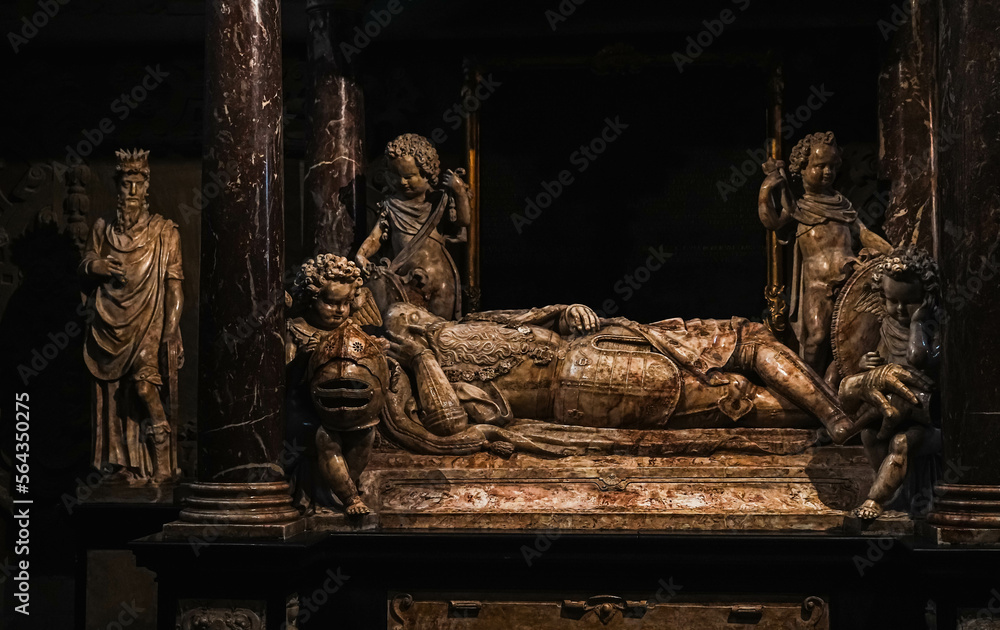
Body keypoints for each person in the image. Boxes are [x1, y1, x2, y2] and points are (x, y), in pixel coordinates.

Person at [378, 301, 929, 457]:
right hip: (595, 389)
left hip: (617, 344)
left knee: (747, 338)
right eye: (410, 326)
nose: (421, 323)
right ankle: (846, 409)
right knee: (736, 400)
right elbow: (449, 427)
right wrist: (420, 356)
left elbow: (542, 316)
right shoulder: (430, 374)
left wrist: (569, 310)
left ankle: (841, 409)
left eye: (421, 317)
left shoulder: (477, 323)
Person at [81, 149, 183, 484]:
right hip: (109, 322)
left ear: (147, 186)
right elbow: (86, 263)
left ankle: (163, 465)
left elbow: (174, 287)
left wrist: (171, 330)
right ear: (118, 187)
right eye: (127, 184)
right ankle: (123, 466)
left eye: (138, 183)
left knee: (144, 388)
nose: (133, 191)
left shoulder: (165, 232)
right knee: (115, 397)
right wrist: (96, 266)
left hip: (149, 322)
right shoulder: (102, 229)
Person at [758, 131, 891, 373]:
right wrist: (768, 186)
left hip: (850, 281)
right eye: (820, 166)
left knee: (856, 338)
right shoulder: (798, 208)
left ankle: (840, 380)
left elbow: (863, 234)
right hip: (818, 286)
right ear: (802, 168)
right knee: (817, 338)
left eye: (832, 166)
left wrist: (892, 252)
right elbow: (771, 220)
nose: (827, 172)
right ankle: (810, 386)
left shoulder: (843, 206)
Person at [286, 254, 387, 515]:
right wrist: (305, 358)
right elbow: (284, 379)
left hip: (351, 408)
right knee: (324, 437)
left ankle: (341, 487)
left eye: (346, 303)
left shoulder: (352, 331)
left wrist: (380, 358)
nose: (340, 310)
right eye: (331, 302)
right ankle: (348, 497)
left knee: (365, 432)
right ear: (310, 298)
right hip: (306, 409)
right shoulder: (297, 330)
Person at [848, 246, 941, 519]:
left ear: (926, 299)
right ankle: (892, 489)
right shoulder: (887, 326)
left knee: (901, 442)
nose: (899, 309)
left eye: (909, 302)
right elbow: (883, 361)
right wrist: (867, 364)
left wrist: (918, 322)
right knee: (868, 435)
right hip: (895, 407)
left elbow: (917, 357)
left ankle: (875, 500)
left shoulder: (935, 328)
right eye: (892, 300)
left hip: (927, 414)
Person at [356, 133, 471, 320]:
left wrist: (459, 191)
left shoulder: (438, 201)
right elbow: (375, 237)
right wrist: (361, 255)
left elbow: (463, 221)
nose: (402, 182)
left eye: (409, 176)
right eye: (396, 176)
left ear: (427, 174)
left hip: (441, 280)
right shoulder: (391, 205)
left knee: (442, 329)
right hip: (404, 282)